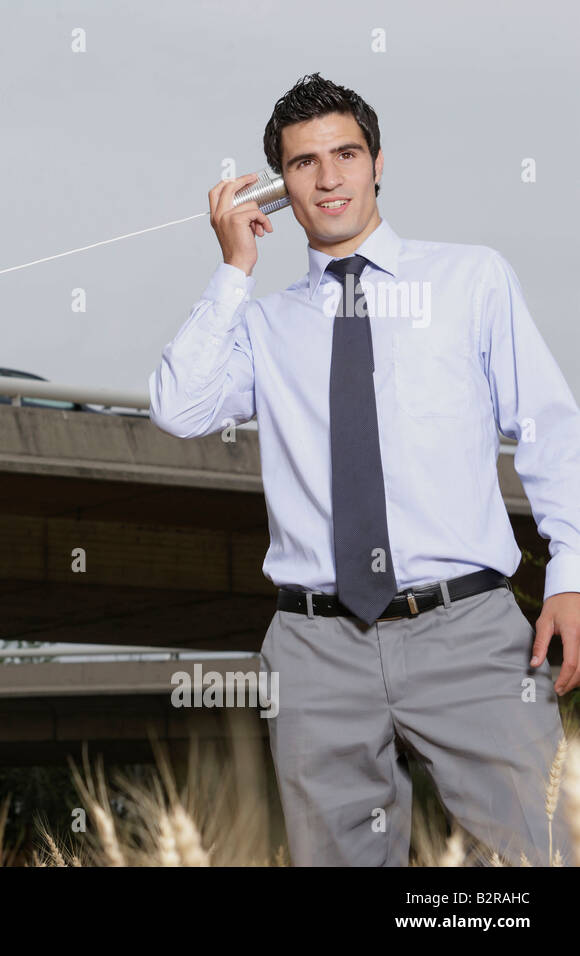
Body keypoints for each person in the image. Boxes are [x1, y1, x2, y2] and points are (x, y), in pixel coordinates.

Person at [148, 73, 580, 866]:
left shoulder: (470, 280)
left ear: (378, 161)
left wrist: (570, 576)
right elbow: (178, 408)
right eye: (304, 163)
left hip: (470, 633)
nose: (329, 177)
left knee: (548, 849)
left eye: (345, 153)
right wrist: (233, 269)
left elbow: (552, 431)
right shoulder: (265, 325)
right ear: (279, 189)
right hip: (316, 649)